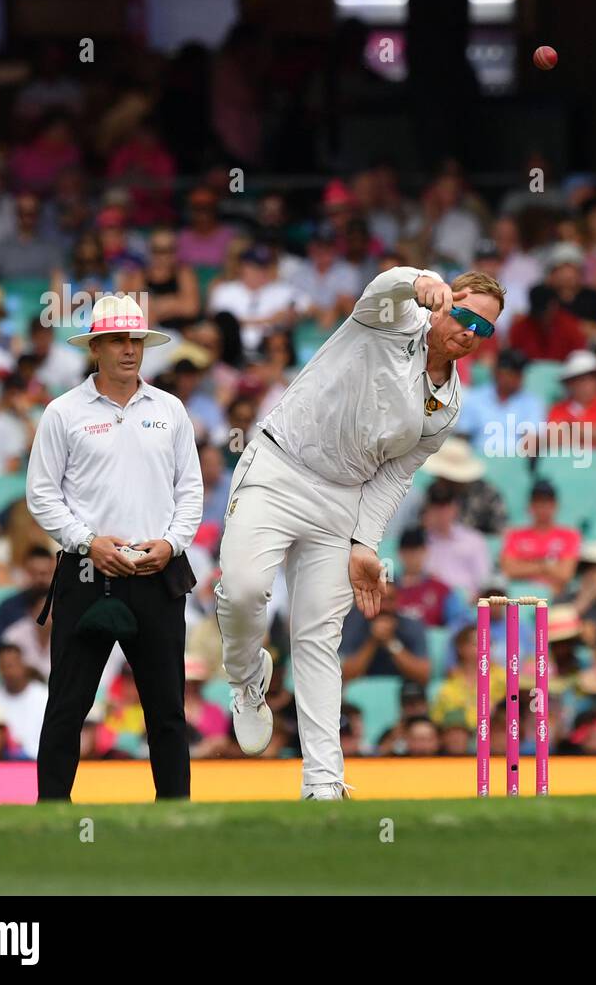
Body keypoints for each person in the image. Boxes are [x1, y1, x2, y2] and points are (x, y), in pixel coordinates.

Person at [215, 266, 500, 800]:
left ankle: (324, 782)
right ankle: (247, 675)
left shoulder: (447, 405)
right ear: (443, 301)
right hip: (280, 466)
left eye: (483, 329)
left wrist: (364, 543)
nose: (469, 332)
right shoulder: (392, 317)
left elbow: (395, 474)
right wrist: (419, 280)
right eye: (464, 314)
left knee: (319, 638)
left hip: (342, 500)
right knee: (246, 589)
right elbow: (383, 286)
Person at [26, 294, 203, 801]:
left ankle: (176, 813)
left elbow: (190, 490)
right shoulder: (64, 412)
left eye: (136, 340)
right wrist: (86, 542)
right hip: (87, 575)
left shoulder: (170, 410)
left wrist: (171, 544)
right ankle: (50, 814)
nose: (130, 350)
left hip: (156, 573)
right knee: (68, 703)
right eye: (119, 340)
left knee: (167, 708)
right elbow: (41, 493)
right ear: (96, 347)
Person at [455, 348, 545, 456]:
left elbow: (532, 441)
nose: (519, 377)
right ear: (497, 372)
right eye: (513, 372)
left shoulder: (532, 403)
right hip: (478, 461)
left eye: (520, 373)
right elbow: (462, 436)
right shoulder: (475, 398)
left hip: (515, 462)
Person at [499, 479, 581, 592]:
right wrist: (545, 565)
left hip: (555, 595)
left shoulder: (569, 535)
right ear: (530, 506)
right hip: (521, 594)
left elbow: (565, 574)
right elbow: (509, 570)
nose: (543, 507)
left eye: (547, 502)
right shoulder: (515, 535)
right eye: (538, 502)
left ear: (555, 505)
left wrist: (526, 565)